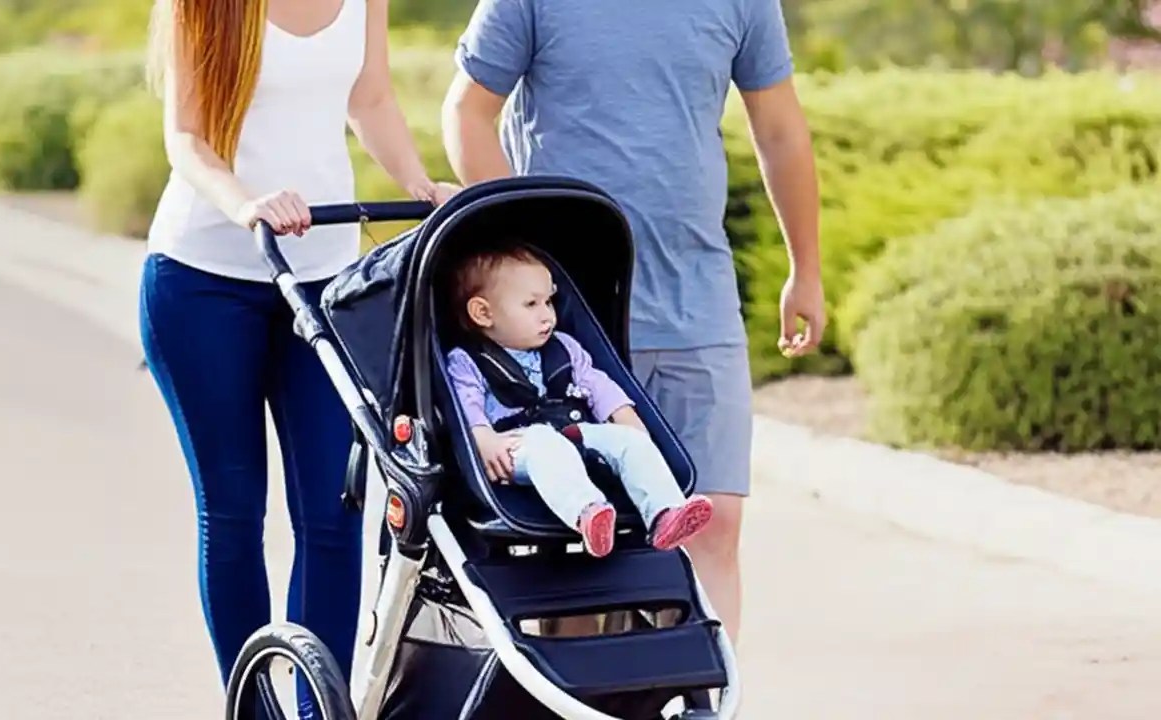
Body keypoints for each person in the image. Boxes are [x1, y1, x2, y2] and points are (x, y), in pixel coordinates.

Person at [441, 0, 825, 643]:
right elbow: (467, 112)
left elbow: (780, 129)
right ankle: (582, 701)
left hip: (695, 302)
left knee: (715, 522)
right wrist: (525, 261)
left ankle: (703, 703)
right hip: (568, 321)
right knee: (580, 537)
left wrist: (805, 267)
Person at [138, 0, 457, 709]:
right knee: (233, 510)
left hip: (325, 285)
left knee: (332, 512)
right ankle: (252, 707)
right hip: (203, 282)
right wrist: (246, 203)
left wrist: (419, 184)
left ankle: (320, 707)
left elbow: (369, 97)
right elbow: (188, 137)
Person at [444, 242, 715, 558]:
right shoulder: (466, 361)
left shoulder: (565, 348)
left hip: (575, 432)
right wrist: (483, 438)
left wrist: (626, 419)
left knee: (630, 442)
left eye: (549, 302)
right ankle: (588, 513)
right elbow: (465, 403)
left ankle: (665, 512)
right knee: (545, 442)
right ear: (483, 313)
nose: (547, 315)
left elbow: (598, 386)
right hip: (516, 446)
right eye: (531, 304)